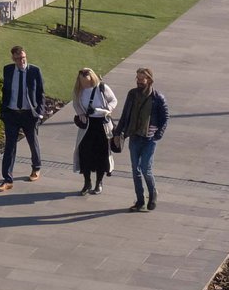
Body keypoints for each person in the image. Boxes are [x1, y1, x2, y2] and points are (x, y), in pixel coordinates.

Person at [115, 66, 170, 211]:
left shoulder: (157, 98)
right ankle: (140, 201)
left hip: (149, 139)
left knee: (146, 169)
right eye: (137, 79)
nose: (139, 82)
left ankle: (152, 195)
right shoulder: (132, 94)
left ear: (149, 80)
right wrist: (117, 132)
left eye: (141, 79)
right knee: (135, 170)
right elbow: (125, 114)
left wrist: (158, 134)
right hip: (134, 136)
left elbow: (165, 118)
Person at [0, 44, 46, 190]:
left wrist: (40, 113)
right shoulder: (8, 70)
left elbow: (41, 93)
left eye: (23, 58)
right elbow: (6, 90)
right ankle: (7, 179)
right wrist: (3, 111)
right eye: (17, 59)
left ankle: (36, 167)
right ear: (13, 58)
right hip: (11, 114)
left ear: (25, 56)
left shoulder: (34, 71)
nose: (21, 61)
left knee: (32, 142)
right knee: (9, 146)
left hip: (29, 114)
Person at [70, 66, 118, 194]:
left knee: (101, 155)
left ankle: (99, 183)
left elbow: (113, 100)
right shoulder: (78, 90)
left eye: (86, 81)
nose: (84, 84)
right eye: (82, 82)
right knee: (84, 153)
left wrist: (107, 110)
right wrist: (80, 113)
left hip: (101, 124)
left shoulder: (101, 88)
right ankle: (87, 182)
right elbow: (75, 103)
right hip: (87, 125)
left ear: (92, 78)